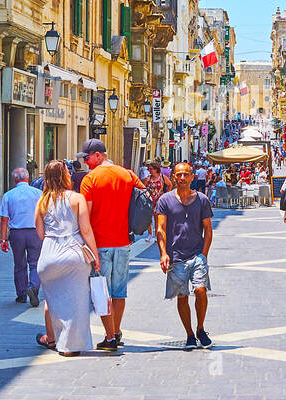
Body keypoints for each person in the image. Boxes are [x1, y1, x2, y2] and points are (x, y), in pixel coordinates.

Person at [78, 139, 145, 352]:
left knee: (101, 291)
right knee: (119, 291)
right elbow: (144, 197)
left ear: (98, 155)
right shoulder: (127, 174)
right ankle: (116, 331)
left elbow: (85, 215)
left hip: (100, 243)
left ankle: (109, 337)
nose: (86, 162)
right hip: (124, 243)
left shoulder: (90, 179)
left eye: (87, 158)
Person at [34, 160, 99, 357]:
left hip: (49, 254)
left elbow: (40, 232)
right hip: (73, 251)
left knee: (53, 301)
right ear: (65, 176)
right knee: (77, 302)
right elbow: (86, 230)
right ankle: (71, 345)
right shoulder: (77, 198)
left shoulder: (42, 201)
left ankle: (55, 339)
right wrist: (95, 255)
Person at [155, 162, 214, 350]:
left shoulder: (202, 200)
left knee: (200, 291)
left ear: (192, 177)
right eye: (178, 174)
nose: (182, 178)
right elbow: (160, 229)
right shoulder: (165, 200)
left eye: (185, 175)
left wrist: (204, 254)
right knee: (182, 296)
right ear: (173, 177)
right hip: (176, 256)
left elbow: (208, 228)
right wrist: (163, 253)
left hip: (197, 254)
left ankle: (200, 328)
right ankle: (189, 334)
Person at [0, 167, 42, 306]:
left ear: (14, 179)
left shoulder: (8, 195)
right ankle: (33, 286)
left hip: (17, 233)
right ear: (28, 178)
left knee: (19, 264)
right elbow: (44, 214)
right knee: (35, 263)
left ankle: (22, 293)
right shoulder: (38, 193)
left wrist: (3, 239)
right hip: (34, 232)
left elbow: (4, 219)